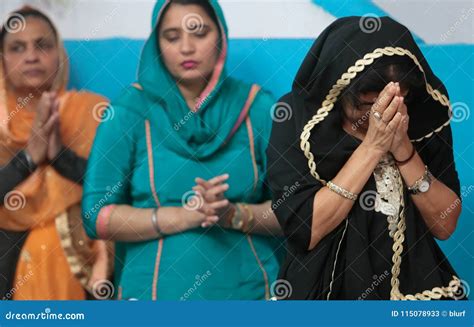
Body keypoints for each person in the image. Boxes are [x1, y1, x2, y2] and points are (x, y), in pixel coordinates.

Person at [82, 0, 283, 300]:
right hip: (152, 293)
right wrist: (184, 215)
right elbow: (95, 215)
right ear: (156, 43)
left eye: (199, 33)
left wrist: (233, 214)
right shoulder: (129, 111)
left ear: (221, 36)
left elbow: (297, 211)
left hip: (249, 292)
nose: (186, 48)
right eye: (172, 37)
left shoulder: (258, 108)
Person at [266, 16, 467, 300]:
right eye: (368, 104)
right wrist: (372, 147)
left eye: (397, 101)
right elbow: (307, 230)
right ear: (339, 90)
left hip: (416, 291)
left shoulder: (423, 118)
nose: (381, 114)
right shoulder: (297, 118)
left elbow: (444, 225)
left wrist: (403, 150)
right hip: (323, 290)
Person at [0, 6, 112, 300]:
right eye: (17, 47)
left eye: (43, 45)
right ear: (3, 60)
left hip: (83, 265)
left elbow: (116, 188)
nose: (32, 56)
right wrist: (27, 160)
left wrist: (60, 157)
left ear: (58, 55)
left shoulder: (90, 110)